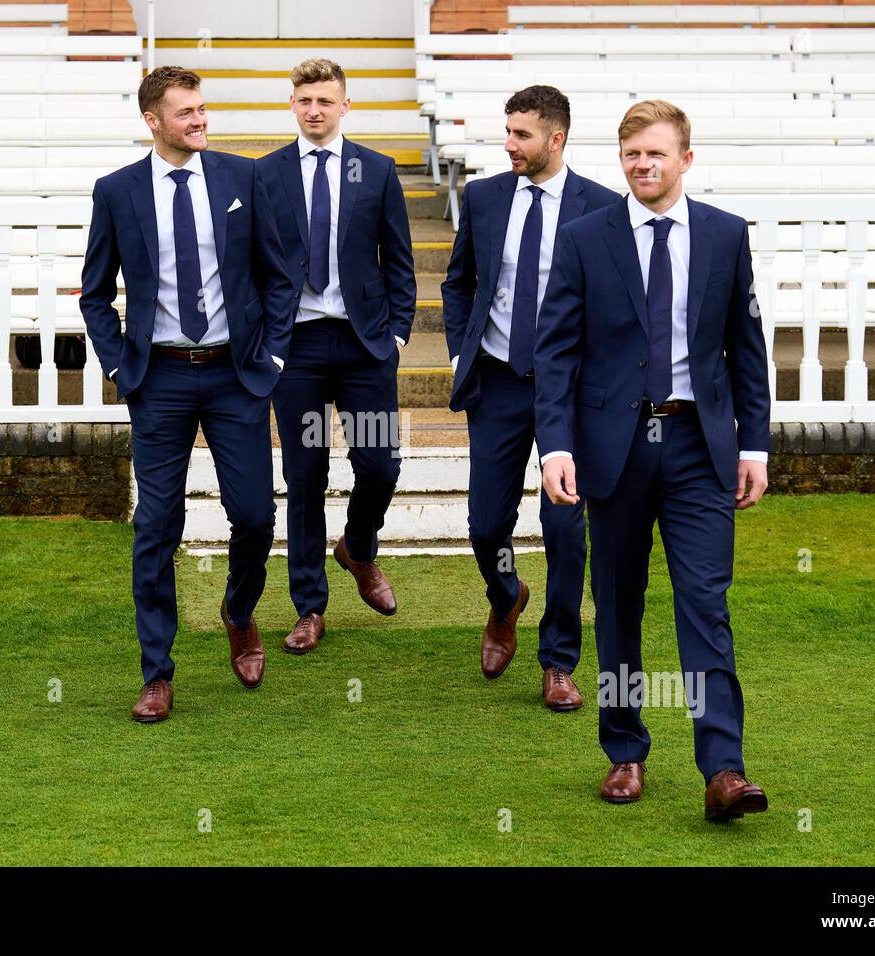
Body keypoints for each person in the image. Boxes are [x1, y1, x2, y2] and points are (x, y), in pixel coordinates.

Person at [534, 100, 772, 819]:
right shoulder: (584, 238)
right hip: (614, 450)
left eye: (657, 154)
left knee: (705, 602)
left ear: (685, 160)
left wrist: (754, 443)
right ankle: (625, 751)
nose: (643, 165)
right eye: (632, 153)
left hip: (701, 448)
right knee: (619, 610)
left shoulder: (727, 236)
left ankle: (724, 768)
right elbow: (555, 353)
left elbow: (746, 349)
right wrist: (557, 445)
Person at [78, 66, 295, 723]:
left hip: (236, 375)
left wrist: (273, 352)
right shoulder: (116, 192)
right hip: (161, 379)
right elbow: (94, 294)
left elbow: (281, 274)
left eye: (203, 109)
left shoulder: (244, 178)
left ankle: (238, 609)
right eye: (187, 113)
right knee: (156, 526)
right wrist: (120, 366)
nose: (201, 121)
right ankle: (157, 675)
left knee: (255, 516)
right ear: (154, 121)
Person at [440, 86, 618, 709]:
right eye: (507, 131)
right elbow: (458, 281)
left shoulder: (604, 207)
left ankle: (559, 660)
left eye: (521, 135)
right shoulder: (484, 196)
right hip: (496, 381)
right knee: (486, 526)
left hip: (570, 393)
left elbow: (617, 302)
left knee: (566, 530)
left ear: (556, 138)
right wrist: (462, 352)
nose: (508, 144)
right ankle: (505, 596)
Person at [256, 58, 416, 653]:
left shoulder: (375, 170)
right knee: (305, 473)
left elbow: (399, 260)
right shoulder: (264, 174)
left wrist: (397, 333)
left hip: (364, 343)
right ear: (292, 104)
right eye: (305, 100)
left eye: (325, 100)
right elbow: (253, 262)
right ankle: (309, 606)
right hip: (294, 347)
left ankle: (359, 546)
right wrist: (265, 339)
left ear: (345, 105)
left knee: (380, 465)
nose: (315, 110)